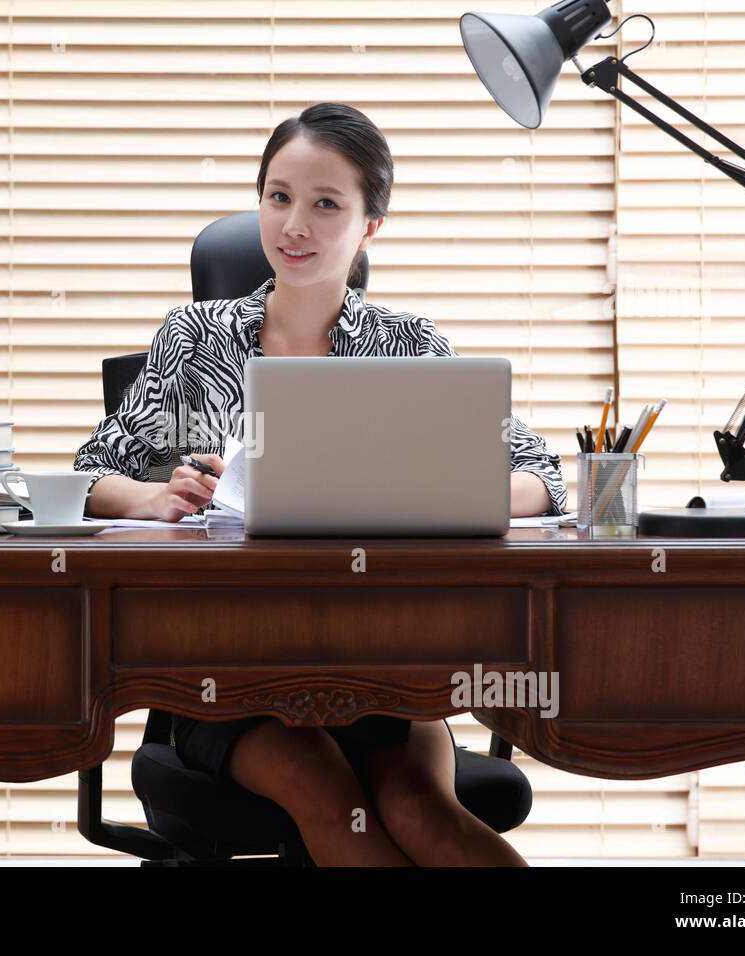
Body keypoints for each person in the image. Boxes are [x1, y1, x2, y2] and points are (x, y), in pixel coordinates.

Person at [75, 102, 566, 865]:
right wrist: (149, 496)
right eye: (277, 197)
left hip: (387, 673)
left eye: (325, 204)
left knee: (421, 813)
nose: (293, 225)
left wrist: (455, 494)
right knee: (329, 798)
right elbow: (85, 476)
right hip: (226, 676)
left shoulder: (410, 347)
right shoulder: (193, 338)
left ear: (370, 225)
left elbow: (539, 474)